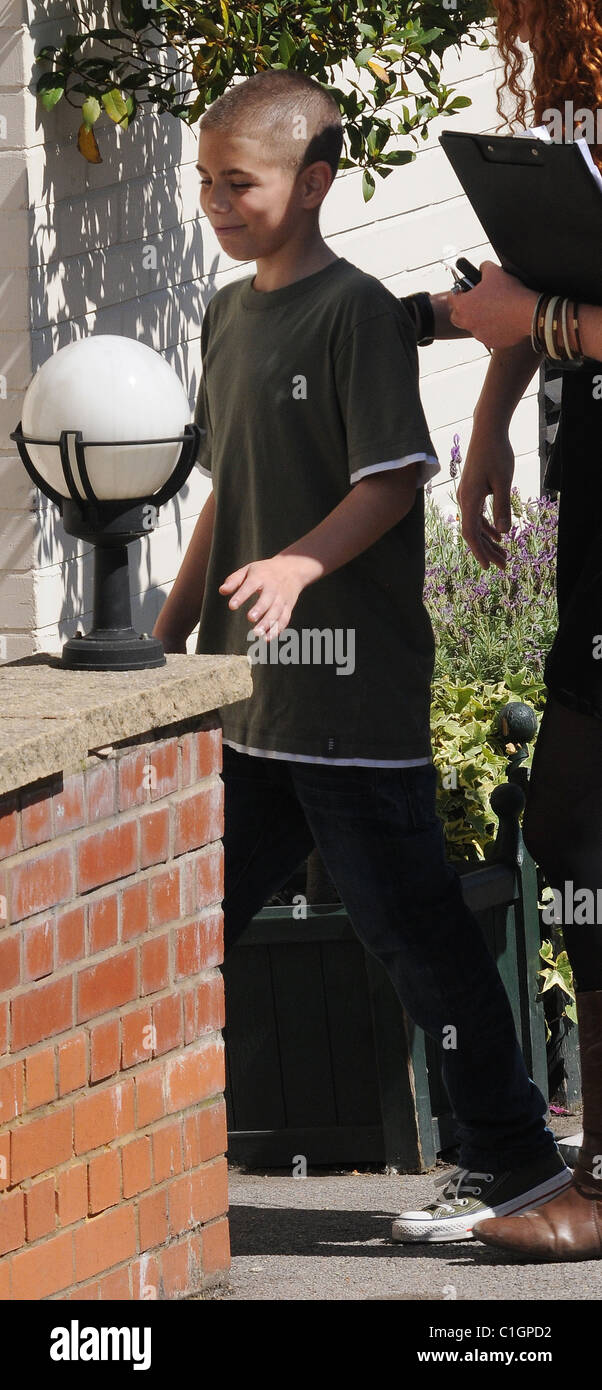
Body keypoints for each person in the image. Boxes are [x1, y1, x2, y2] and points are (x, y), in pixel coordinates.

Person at [153, 67, 570, 1246]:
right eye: (204, 182)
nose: (215, 203)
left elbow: (392, 478)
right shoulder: (226, 314)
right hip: (252, 709)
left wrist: (296, 568)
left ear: (315, 181)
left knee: (420, 944)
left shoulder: (351, 313)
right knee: (191, 924)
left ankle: (518, 1168)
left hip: (351, 705)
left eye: (238, 183)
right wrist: (172, 628)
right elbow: (230, 481)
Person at [438, 0, 602, 1261]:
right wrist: (495, 410)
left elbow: (556, 311)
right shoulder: (575, 104)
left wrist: (535, 334)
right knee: (570, 827)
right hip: (593, 506)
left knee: (583, 822)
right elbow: (555, 279)